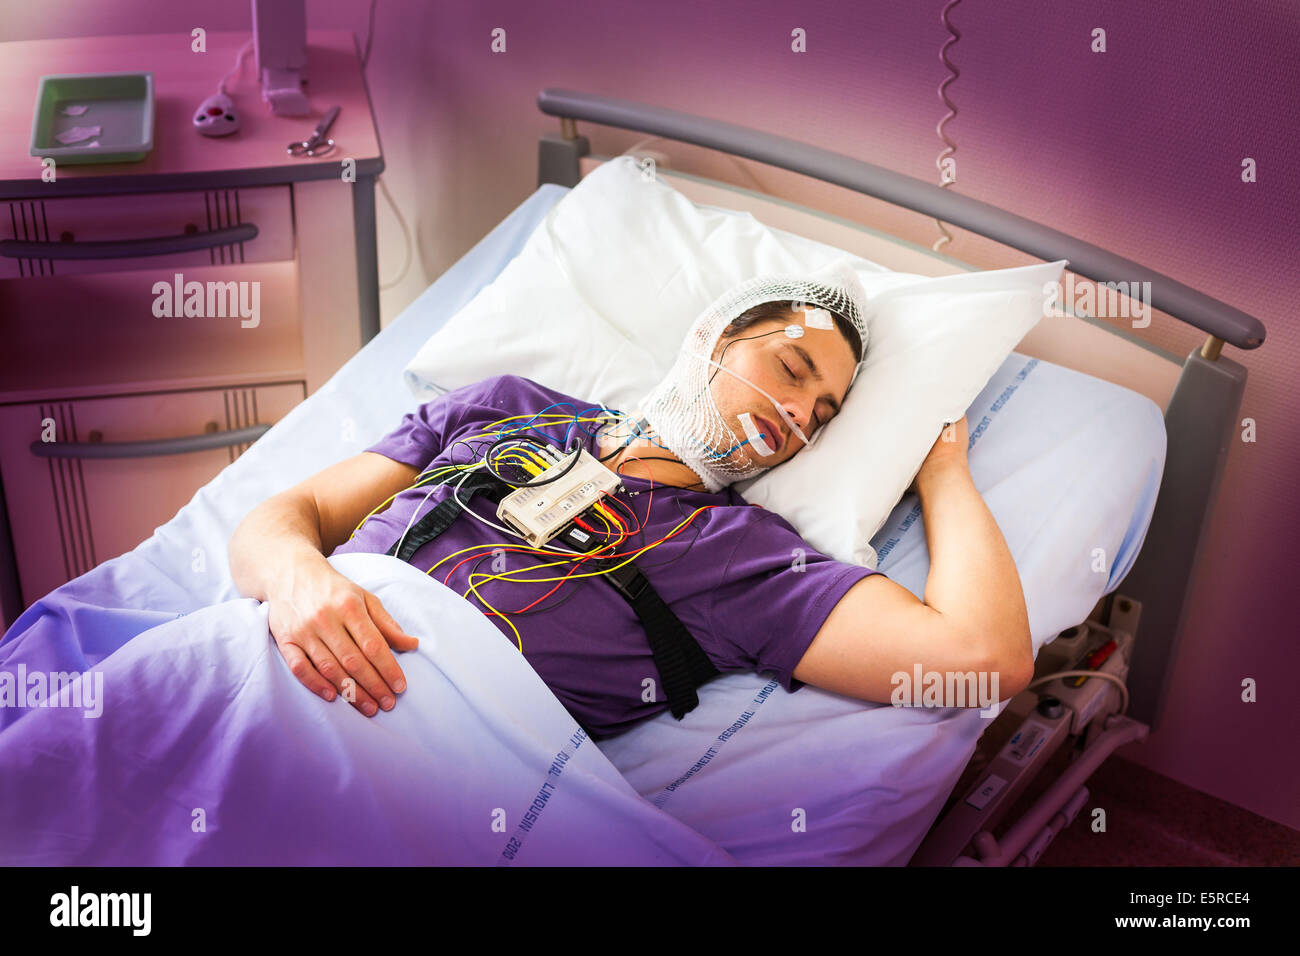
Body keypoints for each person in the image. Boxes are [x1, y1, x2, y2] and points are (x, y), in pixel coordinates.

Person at [229, 268, 1034, 735]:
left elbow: (982, 660)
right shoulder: (507, 407)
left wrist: (941, 473)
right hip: (251, 661)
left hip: (398, 749)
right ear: (714, 336)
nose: (797, 416)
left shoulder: (745, 555)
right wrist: (300, 577)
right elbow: (280, 521)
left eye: (820, 415)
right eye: (792, 371)